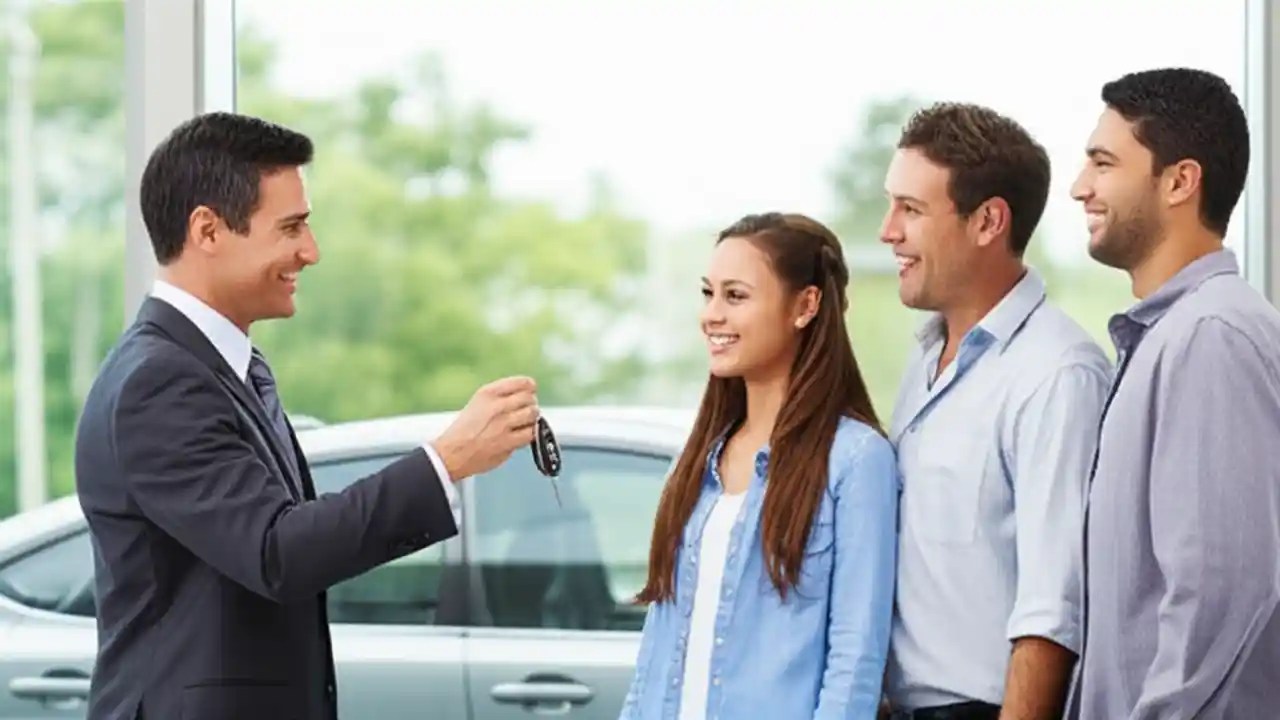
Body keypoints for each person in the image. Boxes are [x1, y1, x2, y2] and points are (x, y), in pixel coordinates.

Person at [73, 111, 540, 720]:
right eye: (291, 227)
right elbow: (277, 551)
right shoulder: (159, 382)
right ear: (208, 230)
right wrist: (445, 462)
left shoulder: (226, 365)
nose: (310, 252)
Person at [879, 102, 1112, 720]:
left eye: (911, 209)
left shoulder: (1057, 373)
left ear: (988, 221)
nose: (888, 230)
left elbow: (1053, 605)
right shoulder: (927, 353)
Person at [618, 211, 900, 720]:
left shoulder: (856, 460)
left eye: (736, 296)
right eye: (708, 294)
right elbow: (656, 649)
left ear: (805, 305)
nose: (712, 315)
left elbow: (855, 659)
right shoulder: (698, 462)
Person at [1065, 67, 1280, 719]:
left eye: (1104, 163)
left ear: (1180, 181)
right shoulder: (1166, 338)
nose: (1080, 188)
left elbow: (1220, 591)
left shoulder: (1211, 335)